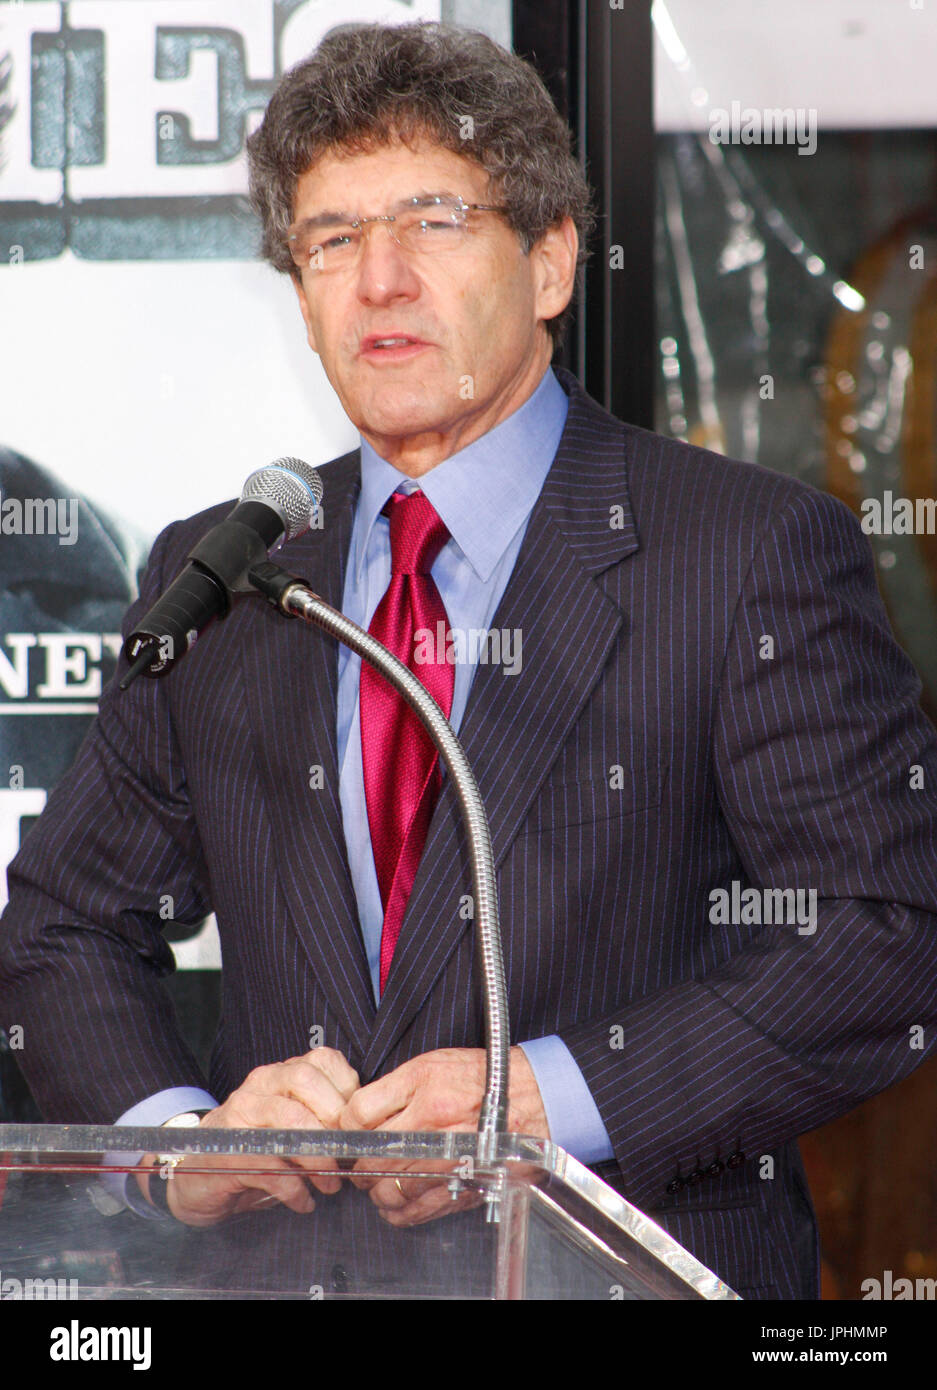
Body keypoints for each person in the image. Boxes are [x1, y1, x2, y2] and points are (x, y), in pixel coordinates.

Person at [2, 20, 937, 1300]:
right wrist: (182, 1143)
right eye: (331, 240)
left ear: (550, 261)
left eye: (432, 222)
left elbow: (884, 934)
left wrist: (548, 1097)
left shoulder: (747, 554)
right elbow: (64, 922)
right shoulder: (224, 573)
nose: (378, 280)